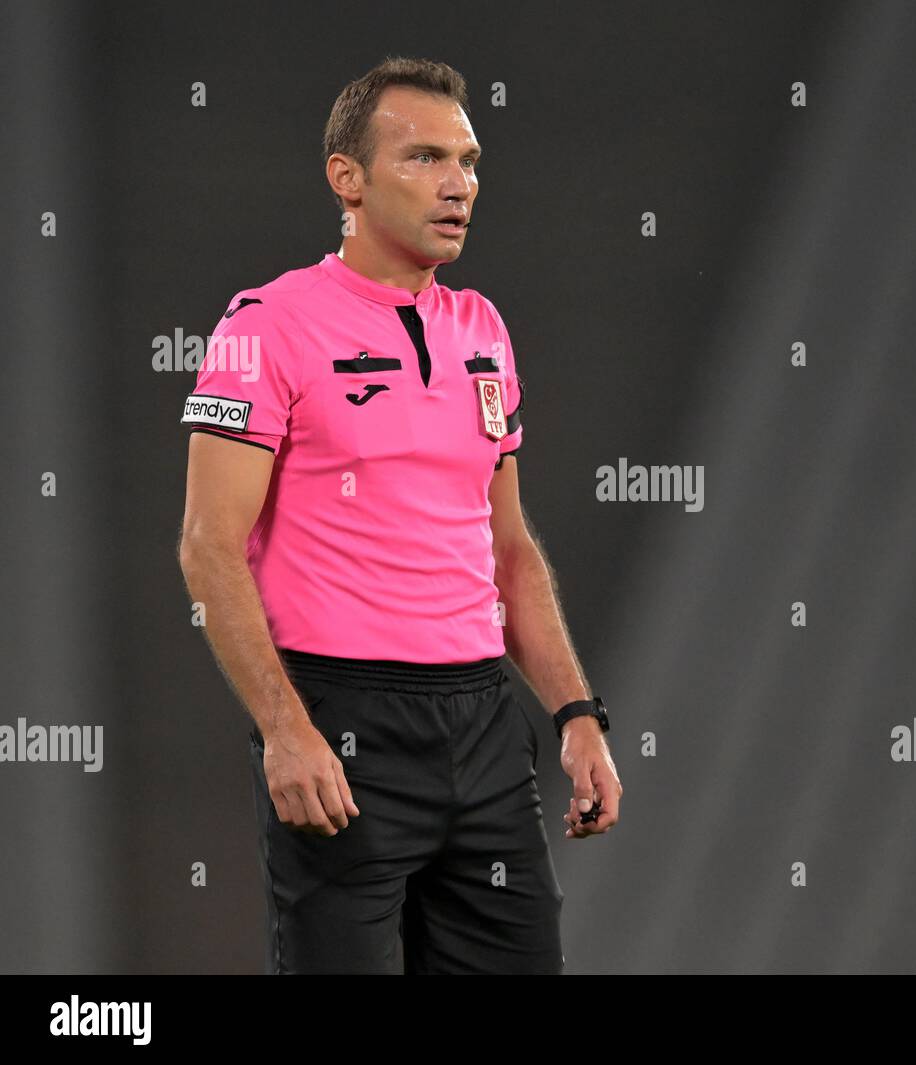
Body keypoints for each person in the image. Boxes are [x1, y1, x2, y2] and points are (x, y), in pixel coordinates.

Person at [176, 57, 621, 974]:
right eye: (425, 157)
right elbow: (207, 547)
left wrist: (576, 713)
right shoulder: (267, 324)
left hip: (486, 726)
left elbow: (510, 549)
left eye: (468, 160)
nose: (459, 184)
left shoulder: (482, 328)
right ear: (348, 178)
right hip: (343, 724)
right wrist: (286, 729)